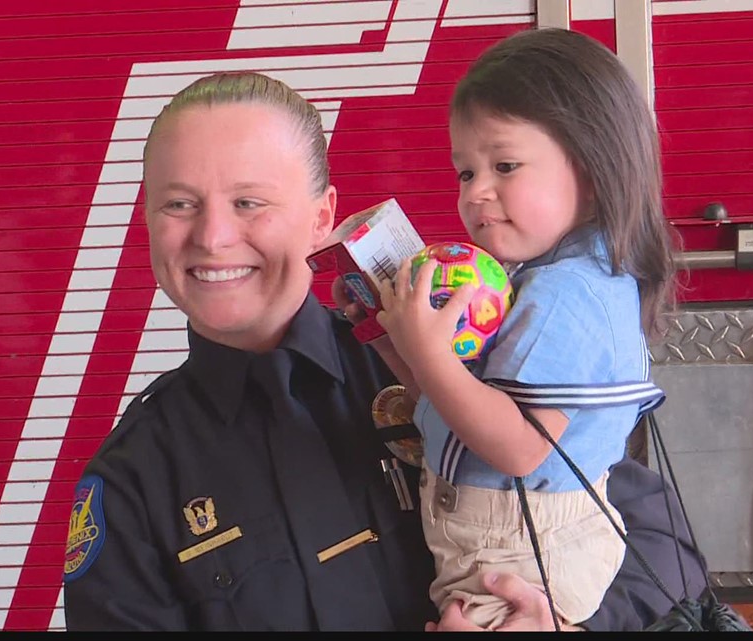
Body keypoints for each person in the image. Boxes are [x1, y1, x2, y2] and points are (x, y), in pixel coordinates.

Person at [61, 67, 704, 632]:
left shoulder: (447, 362)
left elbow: (667, 549)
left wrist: (565, 626)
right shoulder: (132, 479)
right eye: (179, 204)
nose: (212, 236)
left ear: (322, 218)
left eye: (249, 202)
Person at [342, 28, 681, 630]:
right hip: (504, 540)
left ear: (592, 169)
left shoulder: (564, 295)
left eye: (504, 166)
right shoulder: (539, 279)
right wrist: (393, 338)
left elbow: (520, 447)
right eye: (464, 173)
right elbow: (460, 409)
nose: (477, 192)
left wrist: (430, 356)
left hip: (519, 554)